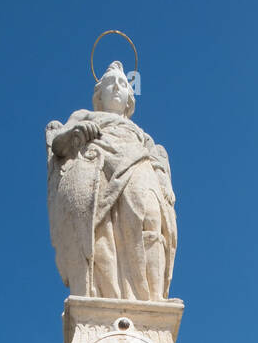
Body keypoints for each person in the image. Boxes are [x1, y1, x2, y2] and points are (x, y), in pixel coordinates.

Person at [46, 61, 177, 302]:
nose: (117, 88)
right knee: (104, 234)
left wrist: (165, 183)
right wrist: (75, 133)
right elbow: (57, 144)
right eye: (110, 83)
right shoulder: (84, 115)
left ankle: (154, 299)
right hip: (101, 172)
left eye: (122, 84)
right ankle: (107, 296)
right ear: (99, 94)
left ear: (129, 97)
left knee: (151, 221)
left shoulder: (141, 133)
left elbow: (158, 161)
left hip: (139, 169)